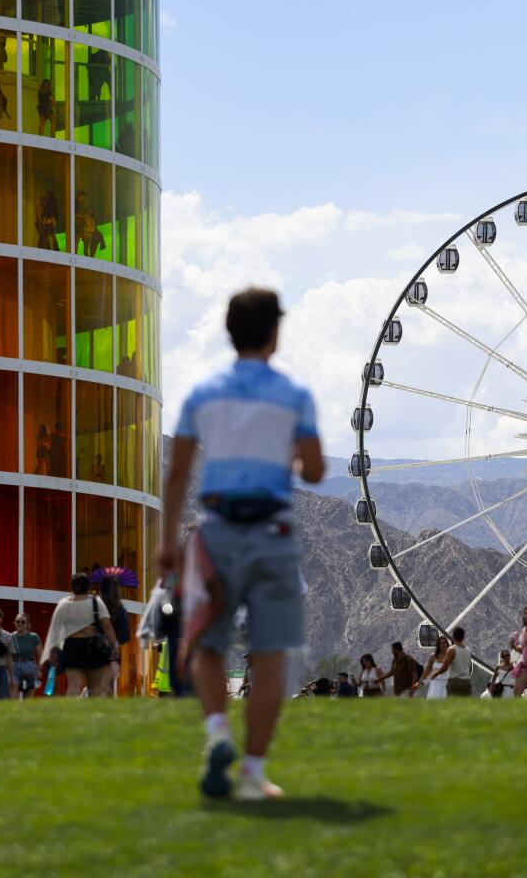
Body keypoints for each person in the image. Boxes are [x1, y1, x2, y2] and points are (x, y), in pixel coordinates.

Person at [161, 287, 325, 800]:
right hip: (272, 530)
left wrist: (167, 540)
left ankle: (216, 733)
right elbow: (317, 470)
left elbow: (178, 473)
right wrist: (288, 461)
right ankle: (253, 772)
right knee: (271, 653)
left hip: (215, 531)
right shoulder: (294, 395)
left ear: (229, 331)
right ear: (275, 333)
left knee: (204, 644)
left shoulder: (201, 395)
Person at [40, 573, 121, 698]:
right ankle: (94, 715)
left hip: (72, 646)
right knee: (95, 686)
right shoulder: (96, 602)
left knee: (74, 685)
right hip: (92, 646)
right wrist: (115, 645)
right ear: (88, 587)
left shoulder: (64, 604)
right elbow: (107, 626)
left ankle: (71, 715)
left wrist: (52, 652)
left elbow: (55, 630)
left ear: (72, 587)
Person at [10, 612, 41, 699]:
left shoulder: (33, 637)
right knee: (13, 692)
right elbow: (8, 655)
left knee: (28, 695)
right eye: (18, 621)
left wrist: (39, 669)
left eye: (23, 622)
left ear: (27, 624)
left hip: (29, 667)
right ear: (15, 623)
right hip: (15, 665)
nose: (20, 624)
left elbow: (39, 654)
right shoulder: (11, 637)